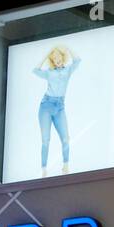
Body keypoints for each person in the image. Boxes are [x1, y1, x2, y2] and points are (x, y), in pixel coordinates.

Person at [33, 44, 80, 176]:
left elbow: (77, 60)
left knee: (65, 138)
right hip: (46, 106)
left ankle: (65, 166)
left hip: (60, 107)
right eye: (53, 57)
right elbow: (35, 70)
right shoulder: (49, 72)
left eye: (58, 56)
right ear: (52, 60)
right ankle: (43, 168)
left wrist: (69, 49)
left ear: (62, 57)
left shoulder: (68, 70)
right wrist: (46, 53)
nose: (56, 58)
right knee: (46, 140)